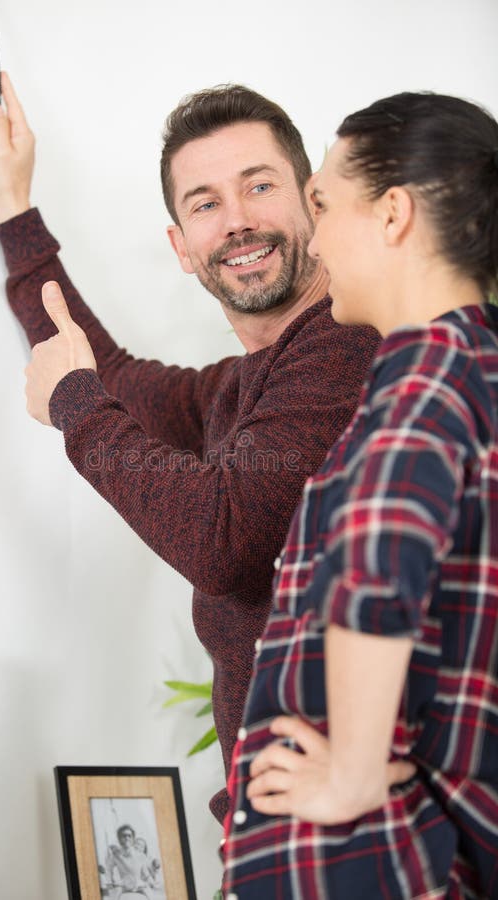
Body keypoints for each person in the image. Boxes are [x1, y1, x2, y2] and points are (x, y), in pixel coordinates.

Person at [0, 74, 380, 822]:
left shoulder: (346, 348)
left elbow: (222, 540)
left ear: (312, 204)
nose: (236, 222)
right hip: (278, 832)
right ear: (183, 247)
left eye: (259, 187)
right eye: (206, 203)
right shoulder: (243, 387)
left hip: (344, 839)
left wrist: (74, 405)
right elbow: (113, 376)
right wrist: (13, 208)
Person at [222, 91, 498, 899]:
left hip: (363, 857)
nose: (310, 234)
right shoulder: (479, 371)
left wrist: (346, 775)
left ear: (393, 215)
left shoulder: (423, 384)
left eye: (321, 203)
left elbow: (380, 566)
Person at [106, 825, 154, 898]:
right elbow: (109, 869)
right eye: (124, 836)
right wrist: (109, 882)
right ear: (119, 839)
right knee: (114, 896)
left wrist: (151, 881)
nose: (127, 838)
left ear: (133, 839)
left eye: (129, 836)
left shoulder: (140, 855)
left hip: (138, 884)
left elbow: (145, 871)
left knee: (151, 895)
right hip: (123, 885)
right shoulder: (116, 855)